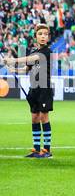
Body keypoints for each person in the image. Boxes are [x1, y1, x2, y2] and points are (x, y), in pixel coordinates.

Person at [5, 23, 54, 158]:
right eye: (40, 34)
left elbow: (29, 59)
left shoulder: (46, 52)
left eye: (45, 34)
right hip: (34, 89)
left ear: (48, 37)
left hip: (44, 89)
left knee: (44, 117)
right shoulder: (33, 52)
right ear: (35, 37)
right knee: (34, 118)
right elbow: (26, 69)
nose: (43, 36)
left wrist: (12, 60)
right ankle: (37, 149)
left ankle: (47, 150)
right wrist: (13, 69)